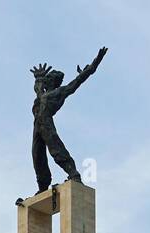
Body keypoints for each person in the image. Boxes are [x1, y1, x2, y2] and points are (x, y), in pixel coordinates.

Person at [27, 47, 108, 194]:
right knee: (37, 155)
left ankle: (74, 174)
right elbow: (37, 88)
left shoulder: (60, 92)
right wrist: (38, 78)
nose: (45, 81)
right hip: (37, 126)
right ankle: (43, 185)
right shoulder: (41, 94)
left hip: (46, 123)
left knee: (56, 150)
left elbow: (78, 81)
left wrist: (94, 64)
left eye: (47, 79)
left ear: (53, 81)